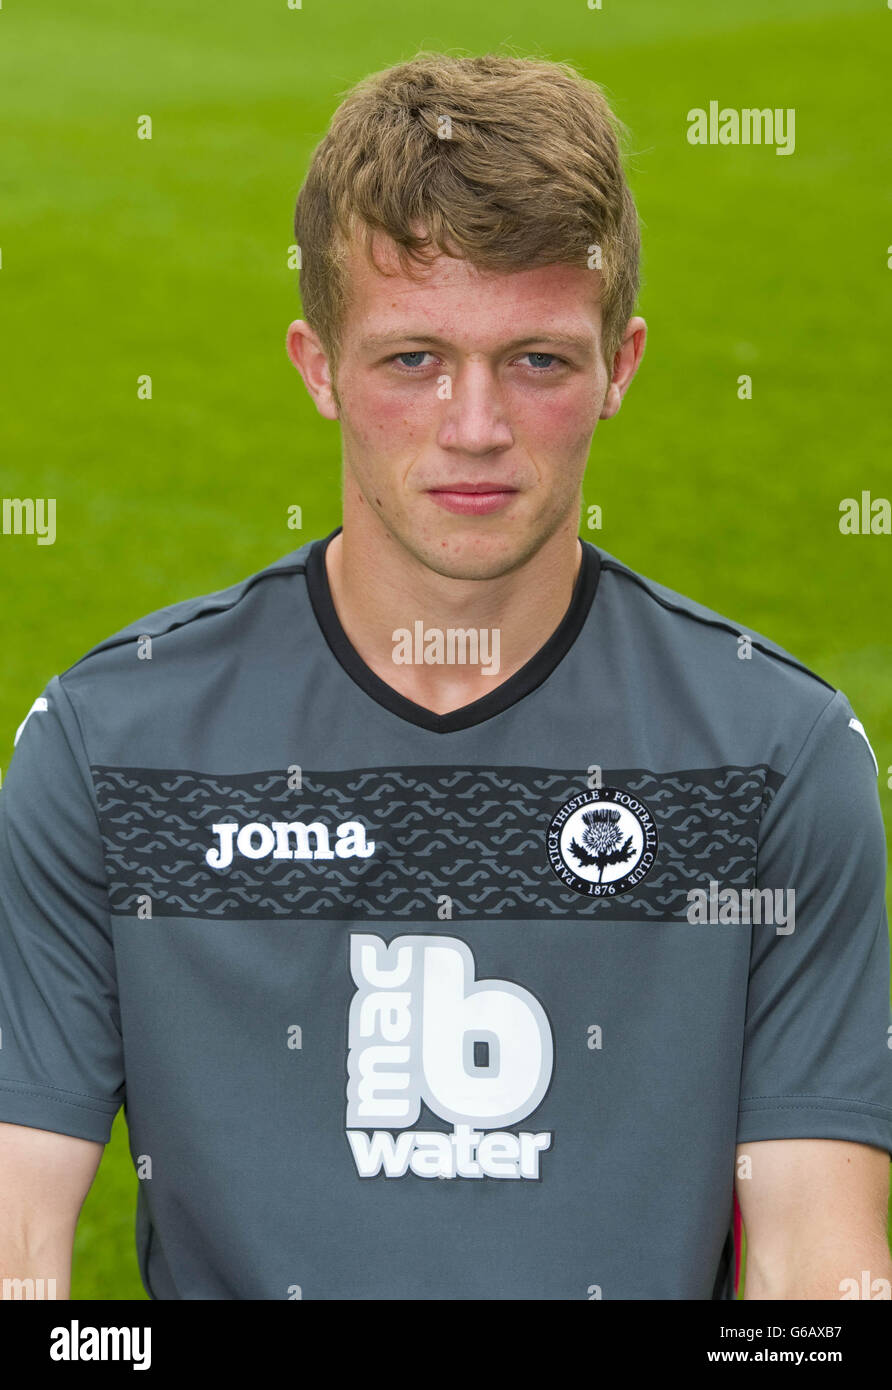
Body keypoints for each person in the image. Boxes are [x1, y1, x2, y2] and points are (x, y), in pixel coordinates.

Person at [1, 52, 890, 1302]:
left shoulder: (773, 758)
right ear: (317, 367)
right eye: (413, 359)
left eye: (536, 360)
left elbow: (814, 1268)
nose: (474, 426)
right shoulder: (110, 750)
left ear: (620, 365)